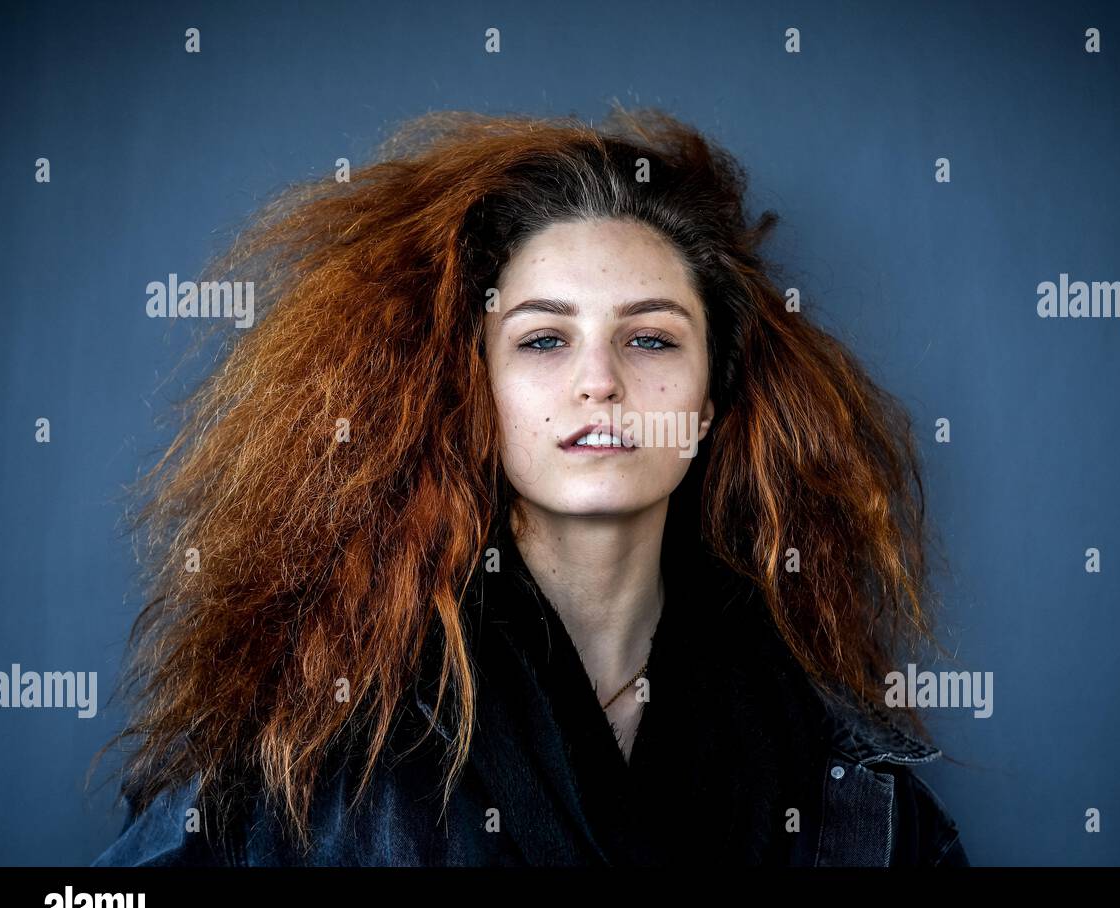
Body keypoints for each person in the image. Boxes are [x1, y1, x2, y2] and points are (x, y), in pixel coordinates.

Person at [90, 106, 969, 867]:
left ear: (713, 399)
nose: (600, 382)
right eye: (543, 340)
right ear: (475, 388)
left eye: (652, 339)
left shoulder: (850, 783)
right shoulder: (318, 741)